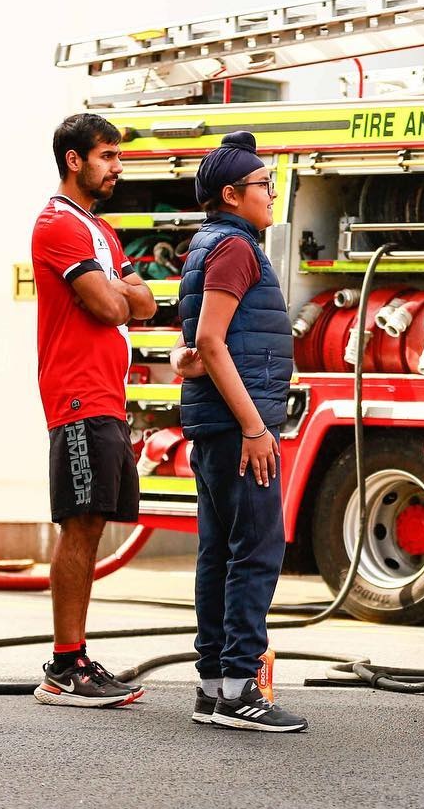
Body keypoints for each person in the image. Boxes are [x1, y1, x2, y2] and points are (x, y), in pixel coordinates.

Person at [171, 131, 305, 732]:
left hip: (214, 422)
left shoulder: (208, 245)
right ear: (231, 194)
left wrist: (188, 359)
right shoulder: (234, 248)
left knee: (219, 552)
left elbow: (196, 344)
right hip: (236, 425)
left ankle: (213, 685)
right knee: (257, 550)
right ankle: (240, 689)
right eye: (263, 186)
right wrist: (255, 427)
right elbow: (209, 340)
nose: (271, 194)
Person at [31, 113, 158, 707]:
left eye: (117, 156)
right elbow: (112, 307)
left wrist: (126, 297)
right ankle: (65, 666)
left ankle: (77, 656)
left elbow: (145, 303)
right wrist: (123, 297)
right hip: (77, 392)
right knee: (79, 523)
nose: (117, 166)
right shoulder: (57, 225)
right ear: (74, 160)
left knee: (94, 522)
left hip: (105, 393)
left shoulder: (101, 232)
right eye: (107, 155)